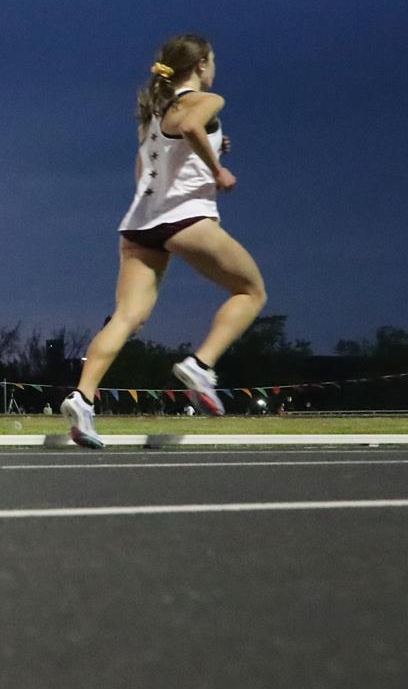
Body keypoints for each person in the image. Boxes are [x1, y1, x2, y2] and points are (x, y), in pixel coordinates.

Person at [62, 34, 266, 449]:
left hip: (140, 223)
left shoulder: (153, 113)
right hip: (186, 218)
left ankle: (81, 399)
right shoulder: (206, 101)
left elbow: (146, 166)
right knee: (251, 291)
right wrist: (217, 171)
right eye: (213, 62)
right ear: (202, 65)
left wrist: (211, 148)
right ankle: (201, 364)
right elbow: (191, 125)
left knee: (127, 317)